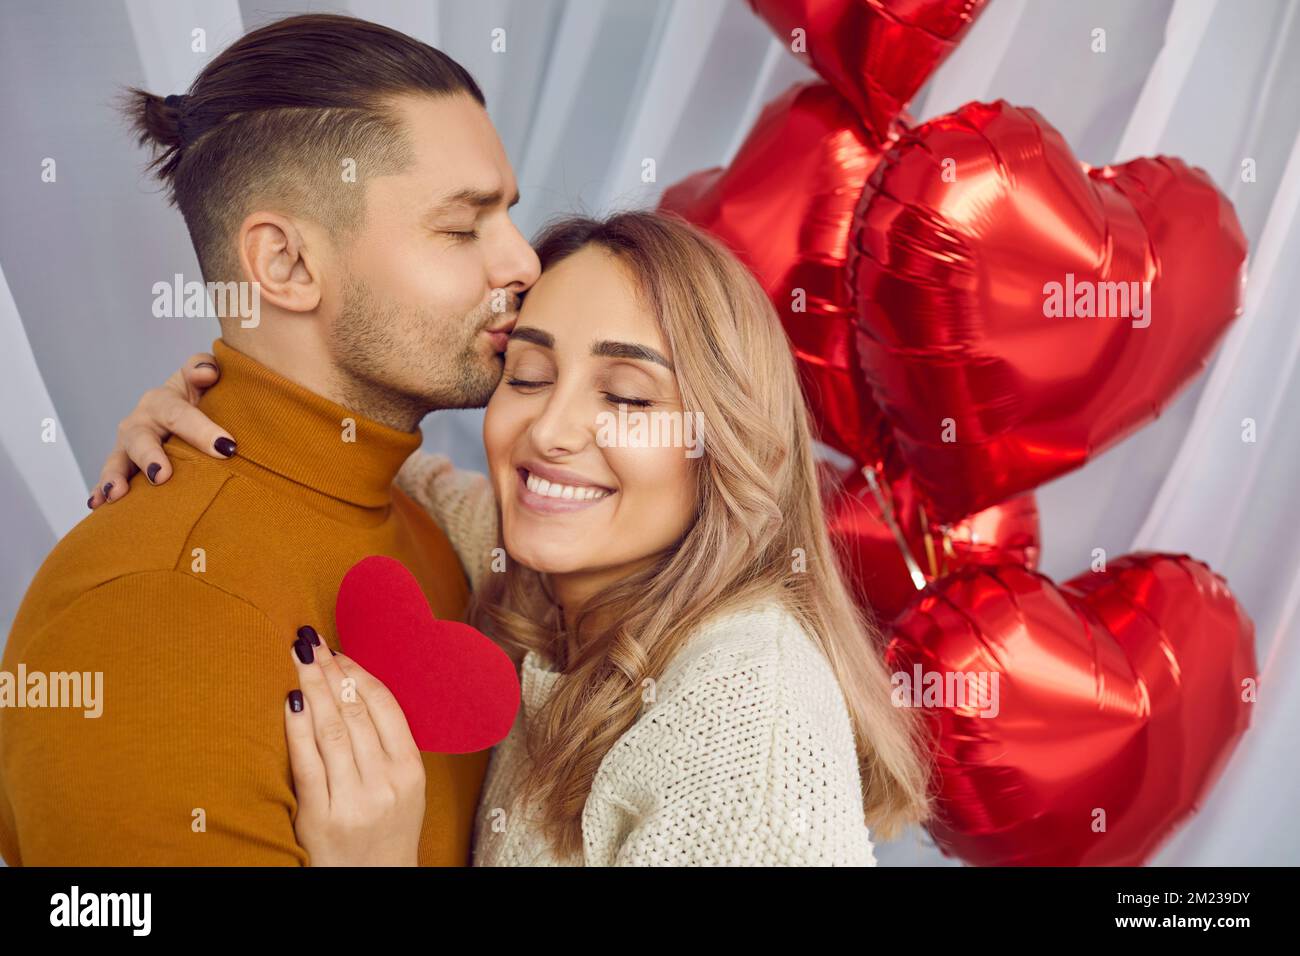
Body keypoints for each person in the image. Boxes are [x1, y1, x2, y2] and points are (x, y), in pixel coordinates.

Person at [100, 211, 934, 865]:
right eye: (528, 377)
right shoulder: (525, 564)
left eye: (629, 397)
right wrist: (202, 410)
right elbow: (375, 471)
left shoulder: (747, 706)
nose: (552, 430)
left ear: (739, 444)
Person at [0, 13, 539, 865]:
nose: (523, 263)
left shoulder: (438, 532)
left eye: (509, 214)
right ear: (284, 265)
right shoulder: (148, 620)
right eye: (463, 227)